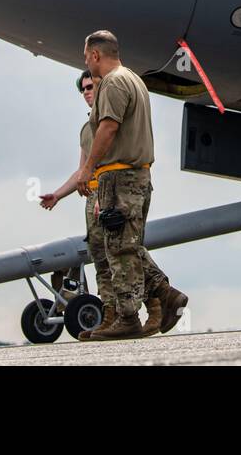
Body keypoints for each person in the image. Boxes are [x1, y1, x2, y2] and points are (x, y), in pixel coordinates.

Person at [76, 30, 188, 339]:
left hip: (120, 176)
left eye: (86, 57)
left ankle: (129, 318)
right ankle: (165, 297)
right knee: (127, 244)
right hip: (137, 174)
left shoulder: (113, 83)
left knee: (119, 250)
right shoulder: (133, 79)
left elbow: (108, 127)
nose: (86, 62)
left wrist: (88, 169)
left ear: (96, 55)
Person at [40, 70, 165, 338]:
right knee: (104, 262)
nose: (87, 92)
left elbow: (114, 163)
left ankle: (158, 303)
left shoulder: (109, 124)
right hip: (95, 196)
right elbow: (82, 170)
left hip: (111, 193)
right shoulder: (88, 128)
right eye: (82, 89)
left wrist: (104, 200)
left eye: (90, 86)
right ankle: (111, 315)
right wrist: (58, 195)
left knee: (127, 254)